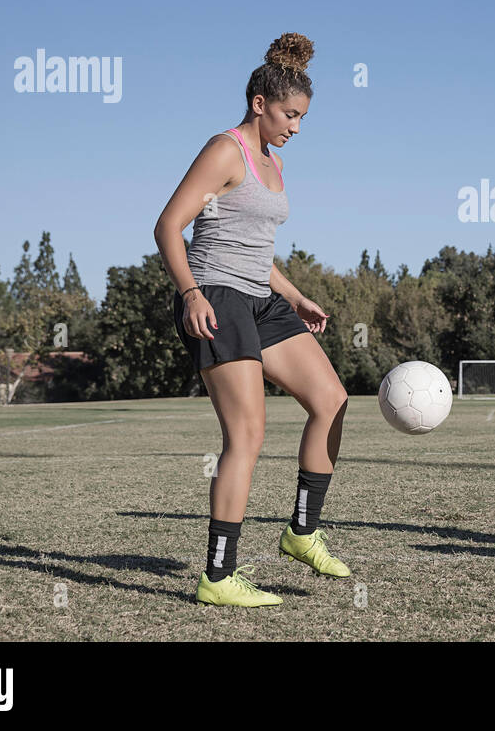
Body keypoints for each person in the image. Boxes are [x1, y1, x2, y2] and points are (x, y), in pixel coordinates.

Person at [153, 32, 352, 607]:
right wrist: (190, 292)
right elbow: (168, 226)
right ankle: (218, 576)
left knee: (332, 401)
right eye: (290, 114)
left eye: (303, 117)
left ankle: (302, 532)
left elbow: (256, 253)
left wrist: (295, 296)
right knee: (246, 435)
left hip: (262, 300)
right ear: (260, 103)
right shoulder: (224, 150)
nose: (296, 126)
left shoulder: (276, 163)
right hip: (217, 296)